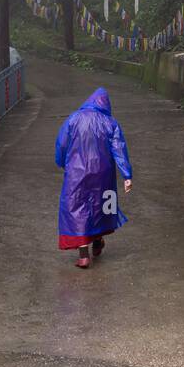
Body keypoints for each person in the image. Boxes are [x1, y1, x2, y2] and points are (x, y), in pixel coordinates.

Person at [54, 87, 133, 268]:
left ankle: (83, 255)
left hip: (77, 172)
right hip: (103, 172)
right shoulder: (110, 122)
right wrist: (126, 175)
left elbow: (62, 143)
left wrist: (61, 162)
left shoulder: (73, 119)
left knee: (77, 207)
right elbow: (119, 149)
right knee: (104, 204)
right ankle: (98, 242)